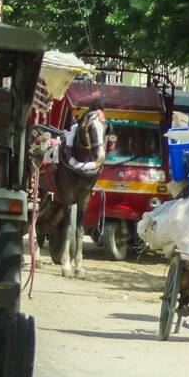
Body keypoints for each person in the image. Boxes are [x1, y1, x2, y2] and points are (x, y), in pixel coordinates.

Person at [38, 97, 108, 270]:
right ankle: (66, 259)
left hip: (86, 170)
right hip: (68, 169)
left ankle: (79, 259)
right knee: (70, 217)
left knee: (80, 221)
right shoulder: (74, 134)